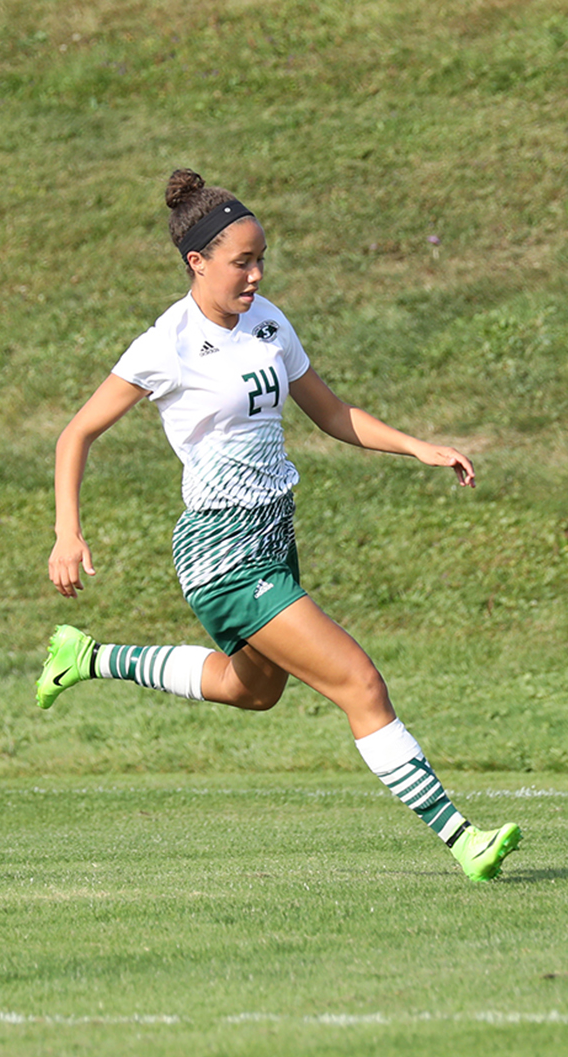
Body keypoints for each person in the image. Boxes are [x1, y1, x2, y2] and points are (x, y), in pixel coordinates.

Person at [36, 169, 520, 882]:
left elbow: (329, 412)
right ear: (197, 262)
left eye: (262, 259)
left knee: (249, 689)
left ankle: (87, 657)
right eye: (242, 262)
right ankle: (462, 838)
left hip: (273, 542)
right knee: (359, 682)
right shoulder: (166, 344)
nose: (256, 274)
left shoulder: (268, 322)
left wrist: (417, 444)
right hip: (222, 552)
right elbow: (74, 435)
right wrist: (67, 534)